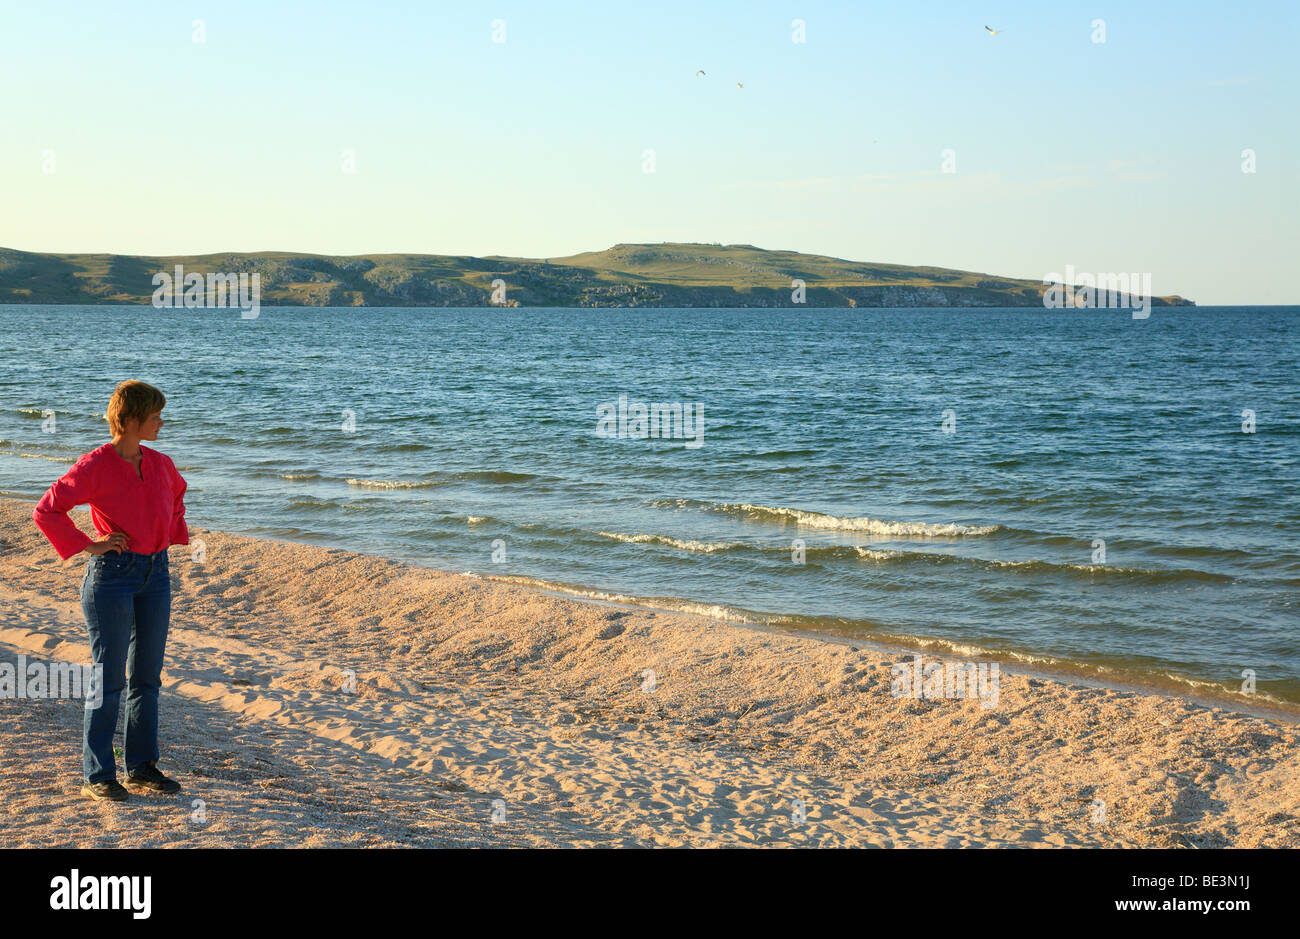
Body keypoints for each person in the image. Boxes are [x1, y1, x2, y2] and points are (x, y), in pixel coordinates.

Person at [32, 380, 189, 802]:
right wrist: (91, 543)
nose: (161, 422)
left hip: (156, 575)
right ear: (132, 419)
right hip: (112, 577)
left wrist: (166, 536)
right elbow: (48, 509)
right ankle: (99, 774)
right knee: (108, 679)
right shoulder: (95, 465)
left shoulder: (161, 462)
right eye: (155, 415)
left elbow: (177, 497)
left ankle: (142, 767)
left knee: (147, 678)